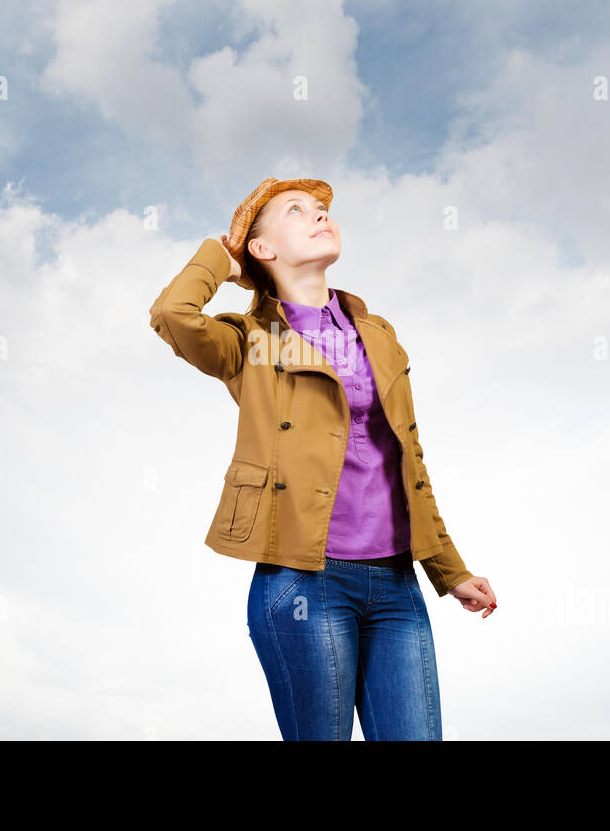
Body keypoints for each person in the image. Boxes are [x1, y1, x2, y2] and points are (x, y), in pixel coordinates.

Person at [149, 177, 497, 740]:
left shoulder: (377, 335)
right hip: (303, 583)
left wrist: (449, 569)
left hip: (396, 586)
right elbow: (173, 314)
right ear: (260, 249)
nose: (319, 216)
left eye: (322, 209)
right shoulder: (252, 341)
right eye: (296, 211)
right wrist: (220, 257)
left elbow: (408, 460)